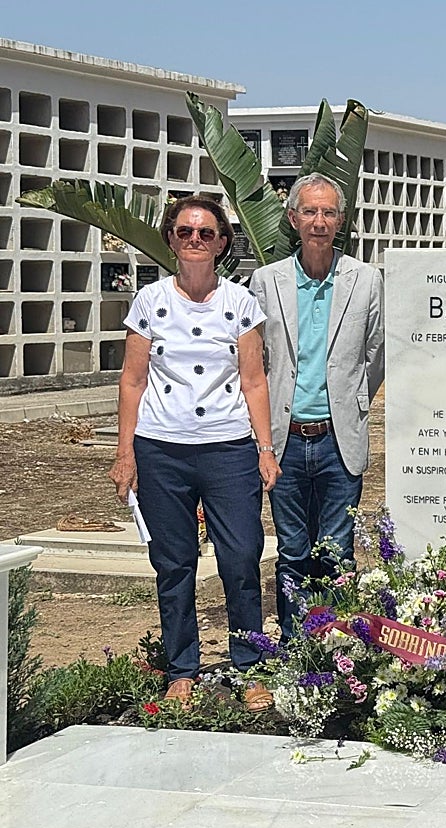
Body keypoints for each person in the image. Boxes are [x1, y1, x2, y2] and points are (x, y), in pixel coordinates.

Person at [108, 195, 279, 711]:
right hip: (162, 449)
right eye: (185, 232)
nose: (195, 241)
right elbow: (133, 380)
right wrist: (125, 453)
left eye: (206, 233)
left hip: (228, 448)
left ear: (223, 243)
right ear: (172, 239)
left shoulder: (240, 303)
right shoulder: (149, 301)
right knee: (174, 562)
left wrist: (265, 448)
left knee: (242, 556)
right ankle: (182, 667)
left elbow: (254, 381)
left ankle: (249, 663)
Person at [249, 173, 385, 643]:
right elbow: (257, 361)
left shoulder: (365, 280)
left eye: (328, 212)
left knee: (337, 553)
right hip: (284, 442)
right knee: (291, 550)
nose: (319, 221)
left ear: (341, 220)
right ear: (292, 219)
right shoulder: (267, 282)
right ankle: (295, 647)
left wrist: (353, 399)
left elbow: (376, 352)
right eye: (309, 211)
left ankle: (334, 647)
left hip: (338, 439)